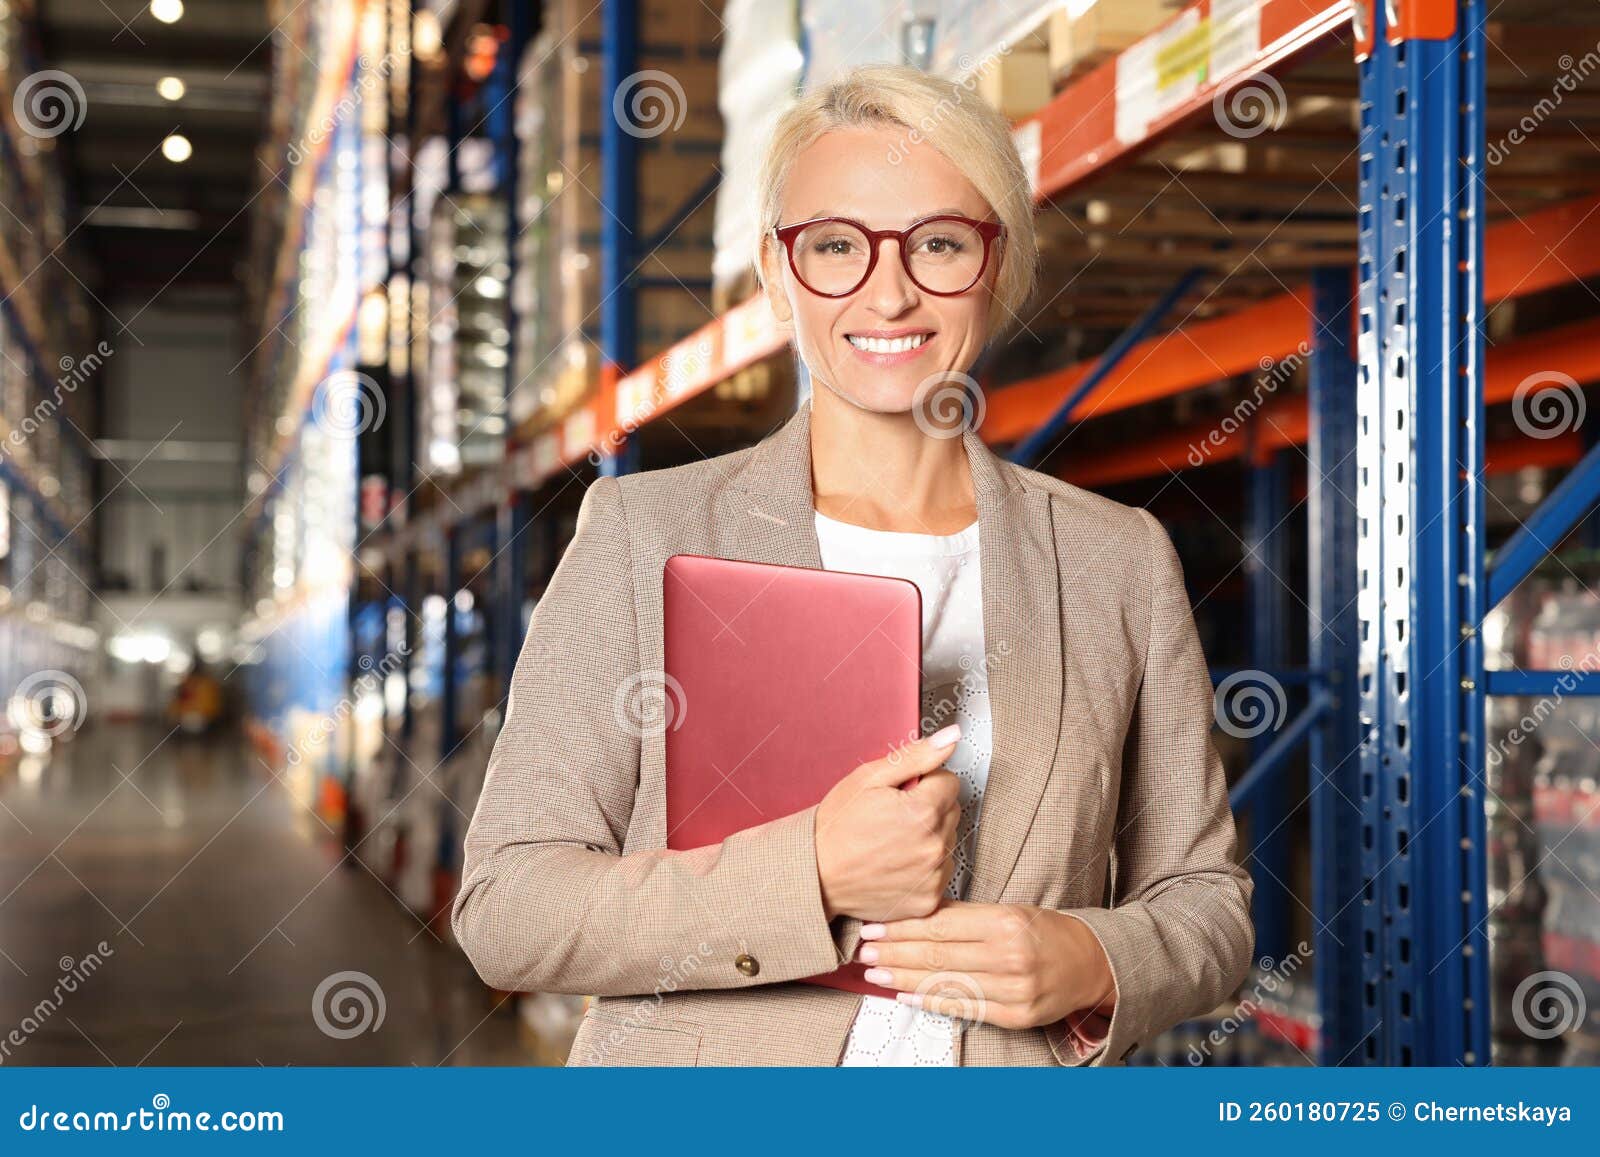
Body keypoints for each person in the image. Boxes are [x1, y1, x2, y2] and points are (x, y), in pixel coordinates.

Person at [452, 62, 1253, 1066]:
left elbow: (1207, 902)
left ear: (996, 268)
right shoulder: (642, 533)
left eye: (940, 244)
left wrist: (1096, 956)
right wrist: (811, 872)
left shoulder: (1115, 560)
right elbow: (506, 907)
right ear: (777, 273)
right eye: (835, 245)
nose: (889, 289)